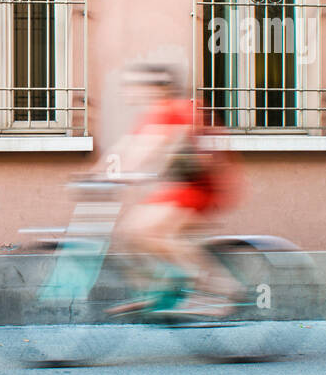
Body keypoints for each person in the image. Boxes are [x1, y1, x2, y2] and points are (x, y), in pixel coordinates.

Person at [91, 62, 241, 316]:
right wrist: (95, 174)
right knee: (129, 231)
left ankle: (214, 288)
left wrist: (121, 173)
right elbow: (126, 146)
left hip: (203, 188)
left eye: (133, 83)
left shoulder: (176, 110)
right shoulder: (155, 113)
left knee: (147, 232)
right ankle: (157, 291)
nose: (127, 89)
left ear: (154, 87)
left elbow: (149, 146)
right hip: (181, 187)